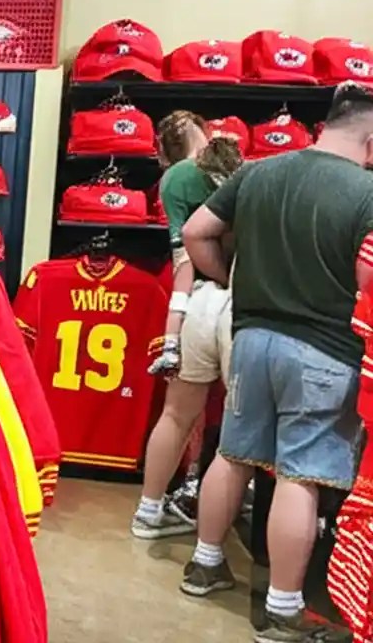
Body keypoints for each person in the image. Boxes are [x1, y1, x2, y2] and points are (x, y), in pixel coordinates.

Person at [181, 81, 373, 642]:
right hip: (324, 349)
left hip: (251, 338)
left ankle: (205, 564)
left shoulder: (258, 172)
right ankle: (284, 610)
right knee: (300, 475)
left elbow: (195, 232)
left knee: (233, 454)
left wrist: (228, 278)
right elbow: (367, 279)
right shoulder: (367, 192)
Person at [133, 113, 245, 540]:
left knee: (177, 414)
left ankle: (149, 510)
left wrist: (172, 333)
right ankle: (213, 540)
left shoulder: (174, 179)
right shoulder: (244, 167)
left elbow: (184, 256)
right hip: (243, 300)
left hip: (196, 299)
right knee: (240, 424)